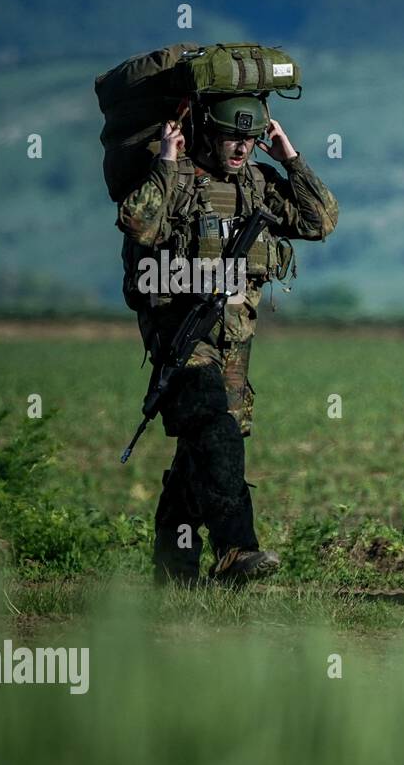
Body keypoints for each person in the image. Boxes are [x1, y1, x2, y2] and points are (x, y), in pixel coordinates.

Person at [117, 94, 338, 584]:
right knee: (215, 433)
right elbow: (137, 222)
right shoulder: (174, 179)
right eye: (232, 138)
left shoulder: (258, 184)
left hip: (234, 340)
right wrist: (166, 162)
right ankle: (237, 548)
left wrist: (291, 160)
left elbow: (319, 221)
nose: (242, 148)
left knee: (203, 454)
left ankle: (173, 574)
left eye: (250, 139)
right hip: (182, 333)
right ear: (205, 133)